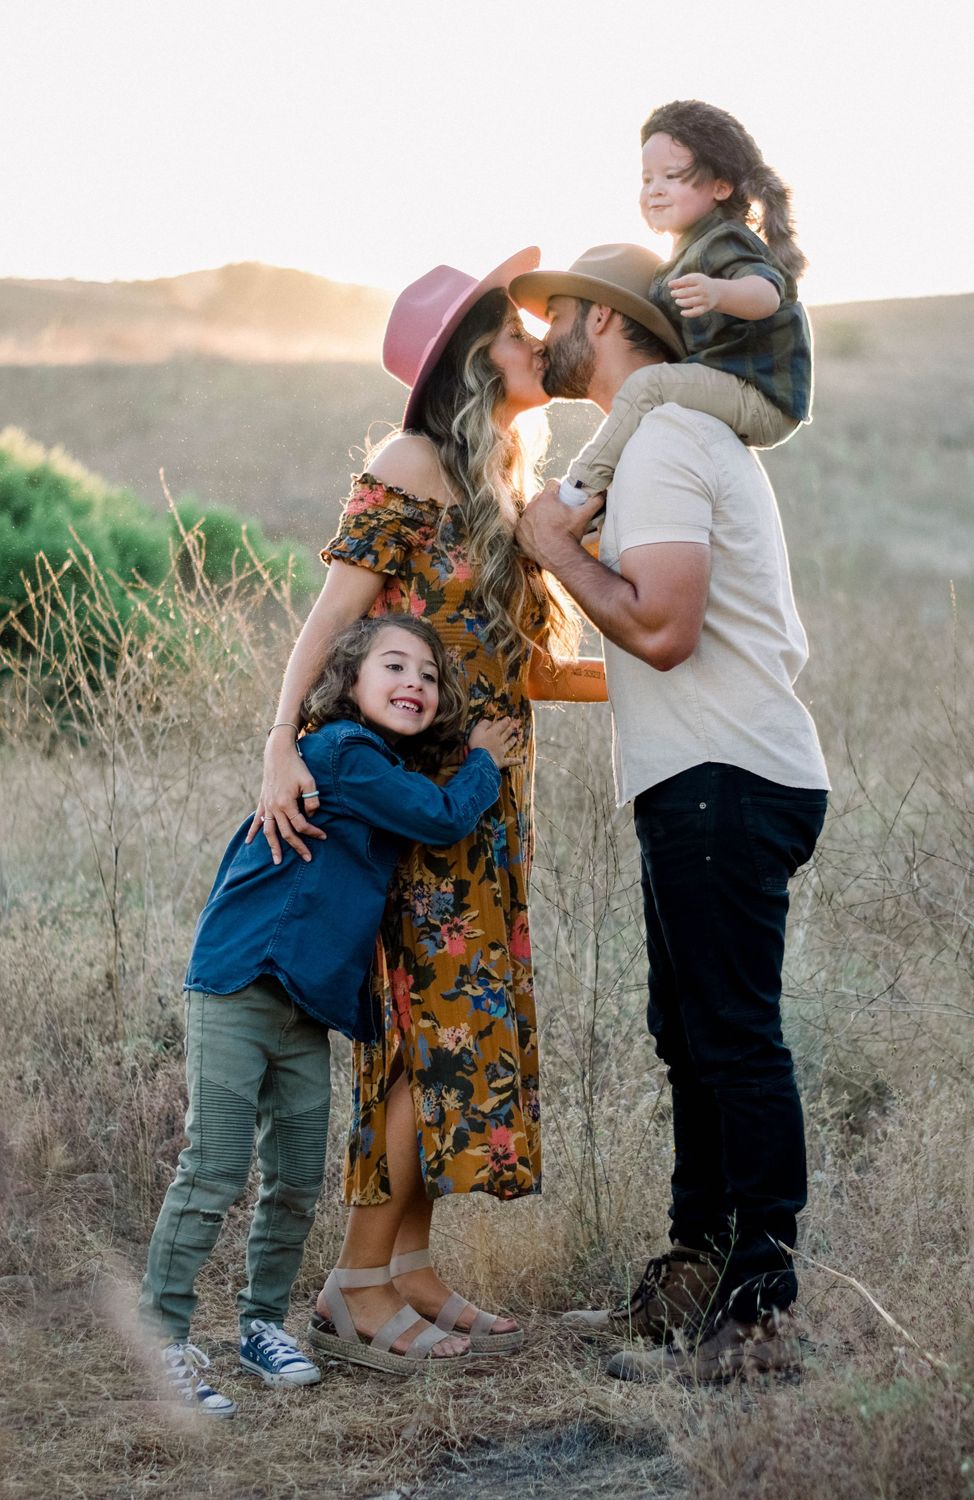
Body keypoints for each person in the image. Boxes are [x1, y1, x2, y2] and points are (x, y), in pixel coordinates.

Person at [247, 249, 607, 1369]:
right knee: (424, 1031)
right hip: (417, 800)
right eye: (515, 329)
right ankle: (354, 1285)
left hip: (492, 799)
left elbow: (533, 669)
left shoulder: (500, 476)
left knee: (452, 1034)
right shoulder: (410, 462)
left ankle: (408, 1267)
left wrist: (688, 659)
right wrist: (277, 746)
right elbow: (331, 621)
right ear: (469, 355)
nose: (537, 340)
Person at [511, 242, 829, 1382]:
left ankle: (759, 1315)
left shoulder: (663, 443)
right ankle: (695, 1280)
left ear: (605, 322)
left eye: (559, 314)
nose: (543, 329)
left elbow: (663, 628)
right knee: (691, 1038)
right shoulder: (661, 443)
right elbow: (659, 642)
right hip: (707, 774)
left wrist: (552, 549)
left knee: (732, 1041)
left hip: (724, 780)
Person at [139, 615, 518, 1408]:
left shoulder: (372, 765)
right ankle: (162, 1341)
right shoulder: (343, 754)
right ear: (349, 681)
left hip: (303, 1005)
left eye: (428, 674)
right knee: (213, 1166)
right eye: (394, 665)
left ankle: (260, 1324)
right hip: (241, 984)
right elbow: (445, 817)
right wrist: (485, 759)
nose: (415, 682)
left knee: (294, 1177)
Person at [556, 99, 811, 512]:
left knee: (649, 385)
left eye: (672, 176)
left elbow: (768, 294)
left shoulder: (727, 240)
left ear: (721, 187)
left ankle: (577, 490)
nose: (654, 189)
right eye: (647, 178)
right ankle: (611, 498)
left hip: (763, 398)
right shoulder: (685, 251)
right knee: (653, 391)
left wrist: (720, 293)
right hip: (737, 387)